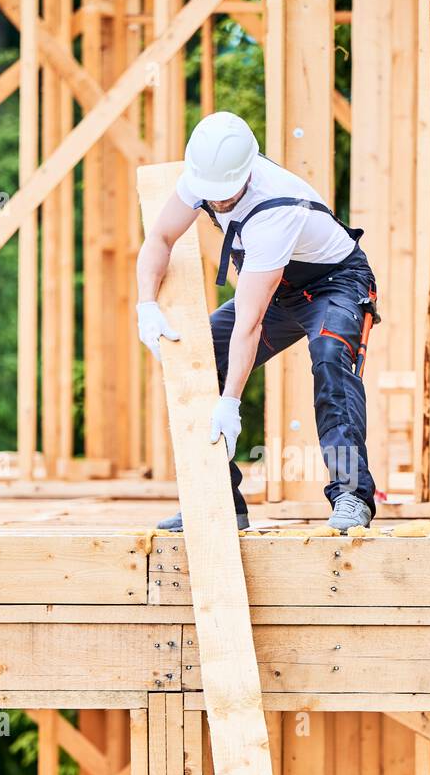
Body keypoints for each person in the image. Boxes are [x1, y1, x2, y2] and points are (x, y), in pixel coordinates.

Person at [136, 111, 379, 533]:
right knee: (199, 356)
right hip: (279, 288)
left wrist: (229, 404)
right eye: (210, 196)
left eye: (225, 197)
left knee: (330, 361)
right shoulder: (204, 176)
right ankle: (220, 502)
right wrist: (146, 305)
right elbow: (160, 238)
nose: (217, 204)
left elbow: (249, 322)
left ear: (246, 173)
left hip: (334, 284)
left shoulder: (275, 209)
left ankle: (351, 495)